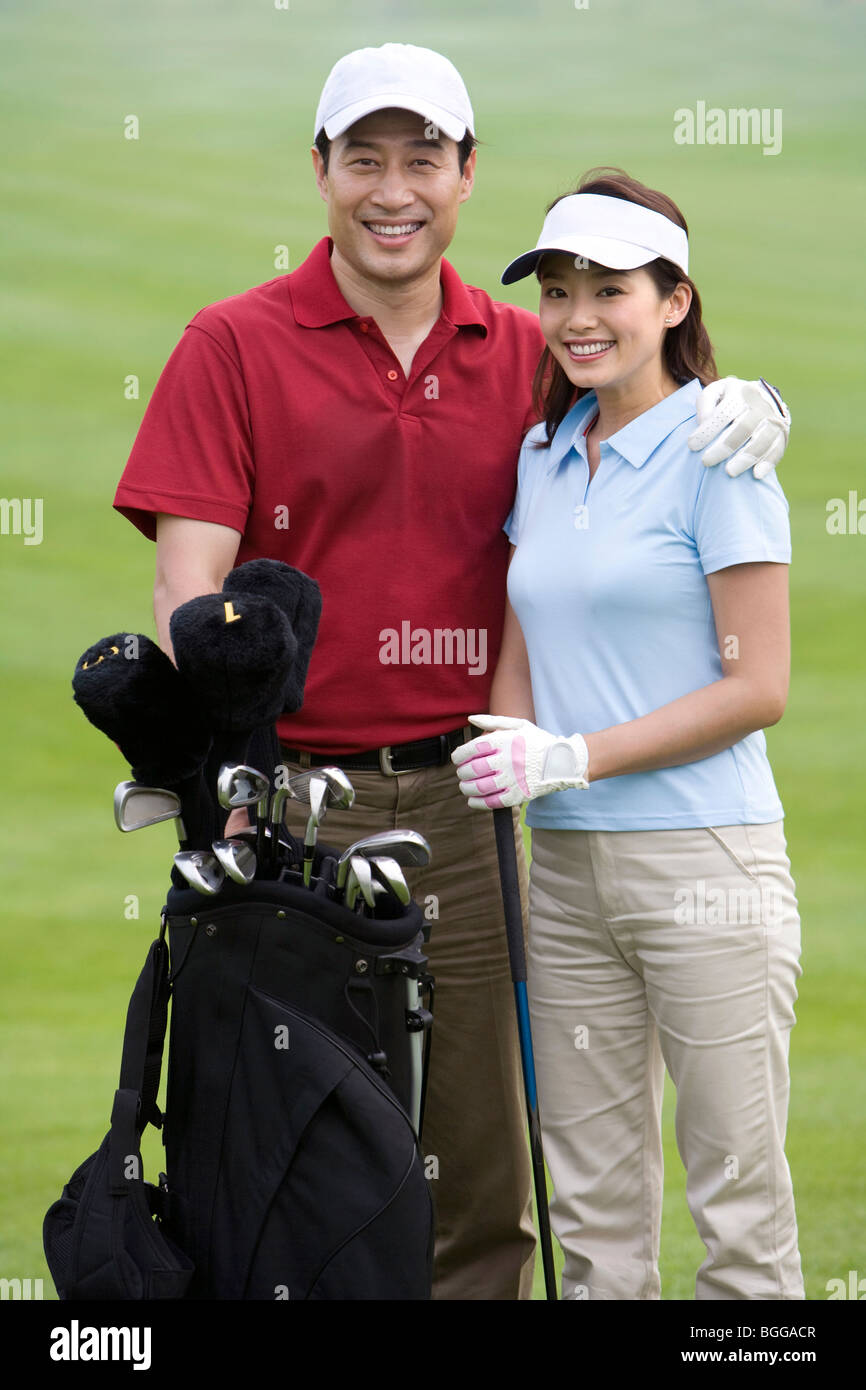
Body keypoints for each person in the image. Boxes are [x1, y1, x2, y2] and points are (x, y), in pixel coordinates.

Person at [113, 44, 793, 1300]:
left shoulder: (524, 354)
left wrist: (745, 399)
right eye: (361, 158)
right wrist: (216, 750)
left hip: (471, 809)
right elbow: (187, 593)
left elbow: (647, 399)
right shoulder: (230, 345)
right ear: (318, 170)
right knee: (270, 1146)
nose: (392, 189)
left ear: (465, 174)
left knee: (480, 1173)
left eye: (421, 158)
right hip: (284, 805)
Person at [452, 170, 804, 1300]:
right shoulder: (543, 456)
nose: (577, 316)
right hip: (562, 870)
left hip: (704, 858)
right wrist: (511, 752)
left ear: (672, 299)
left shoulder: (720, 450)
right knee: (591, 1208)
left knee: (736, 1199)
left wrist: (575, 756)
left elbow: (758, 687)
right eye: (557, 290)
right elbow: (521, 633)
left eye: (610, 288)